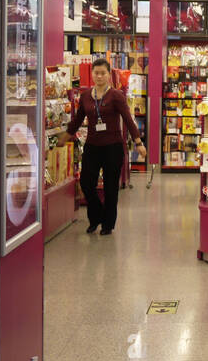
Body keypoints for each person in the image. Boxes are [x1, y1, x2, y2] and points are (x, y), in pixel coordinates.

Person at [58, 58, 145, 235]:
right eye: (96, 73)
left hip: (113, 147)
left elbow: (128, 120)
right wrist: (65, 137)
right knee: (86, 183)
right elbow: (77, 121)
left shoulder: (116, 96)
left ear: (108, 75)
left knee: (110, 187)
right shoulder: (85, 96)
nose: (99, 76)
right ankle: (96, 216)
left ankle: (107, 224)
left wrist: (138, 142)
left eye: (103, 73)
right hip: (92, 146)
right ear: (92, 74)